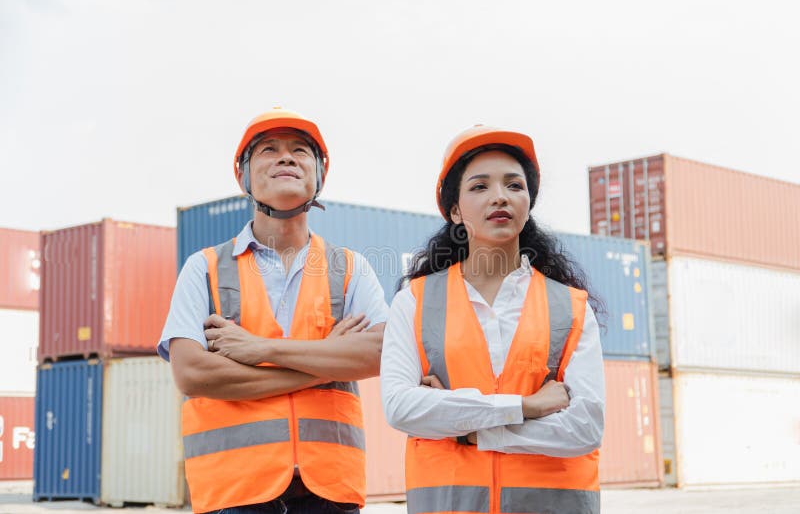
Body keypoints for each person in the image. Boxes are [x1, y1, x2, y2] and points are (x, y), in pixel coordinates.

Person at [159, 108, 388, 514]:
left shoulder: (351, 268)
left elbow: (380, 354)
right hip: (235, 490)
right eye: (268, 150)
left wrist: (258, 348)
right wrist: (329, 360)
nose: (286, 158)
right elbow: (192, 374)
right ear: (242, 177)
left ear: (319, 175)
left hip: (330, 491)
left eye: (300, 150)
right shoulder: (204, 267)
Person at [381, 125, 605, 514]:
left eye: (514, 186)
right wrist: (526, 405)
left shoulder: (571, 306)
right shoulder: (413, 302)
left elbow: (584, 428)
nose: (500, 196)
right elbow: (402, 408)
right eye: (480, 186)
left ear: (528, 203)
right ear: (454, 210)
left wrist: (469, 430)